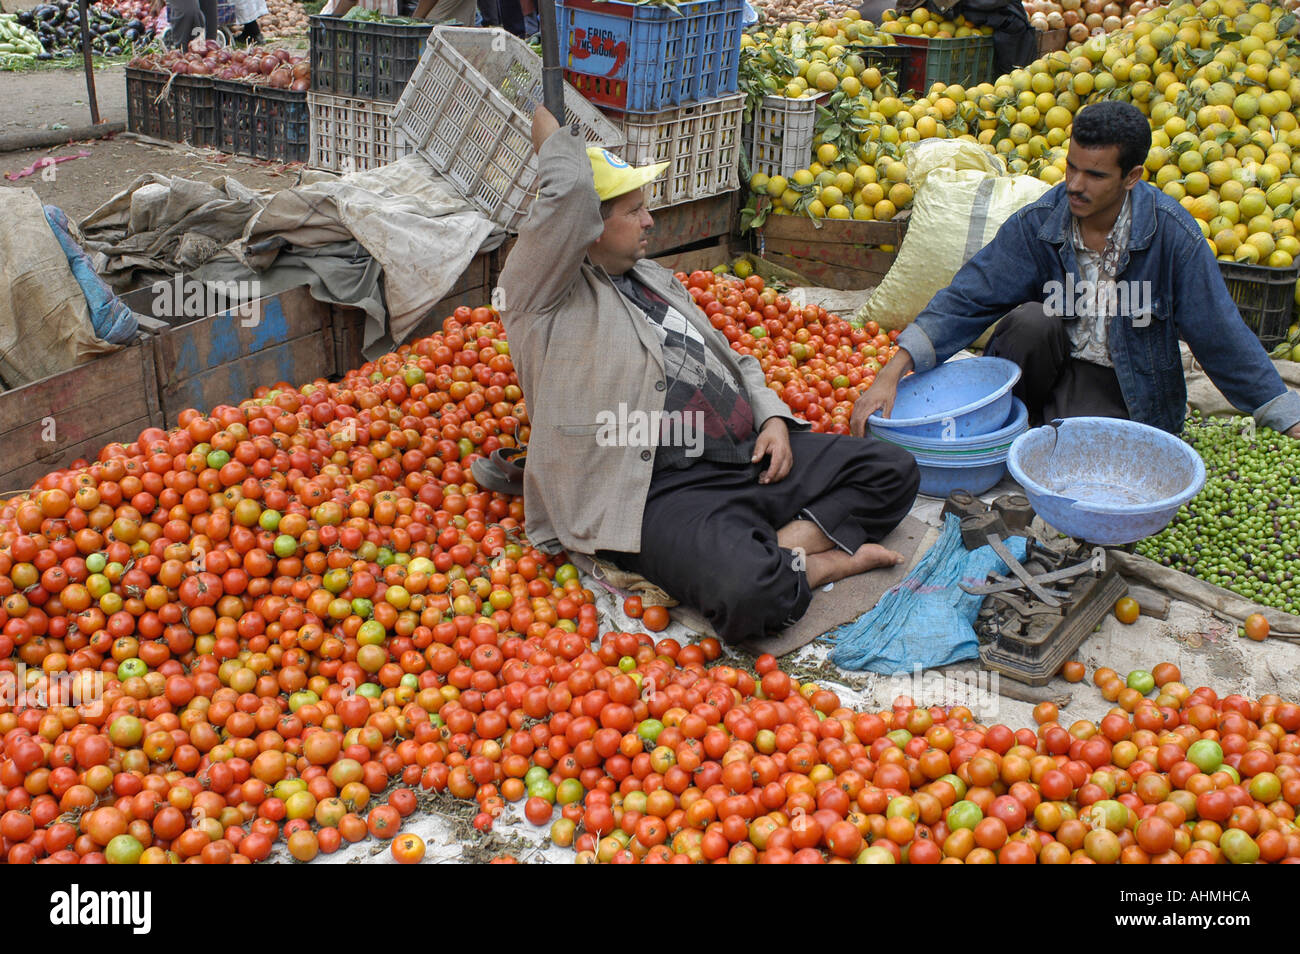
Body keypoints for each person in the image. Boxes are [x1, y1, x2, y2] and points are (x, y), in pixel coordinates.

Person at [497, 108, 921, 645]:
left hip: (746, 459)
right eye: (634, 211)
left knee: (895, 469)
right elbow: (566, 197)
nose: (650, 221)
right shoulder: (542, 299)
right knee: (747, 592)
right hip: (665, 492)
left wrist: (771, 419)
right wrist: (554, 138)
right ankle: (820, 566)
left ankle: (787, 541)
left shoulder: (651, 276)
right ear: (589, 226)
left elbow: (735, 358)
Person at [851, 100, 1300, 443]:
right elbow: (970, 295)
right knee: (1030, 320)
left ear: (1132, 177)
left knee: (1080, 450)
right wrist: (892, 373)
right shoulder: (1042, 223)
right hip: (1051, 363)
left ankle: (1037, 431)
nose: (1075, 185)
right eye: (1071, 167)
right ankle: (1013, 421)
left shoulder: (1173, 237)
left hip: (1128, 383)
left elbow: (1220, 332)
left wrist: (1284, 413)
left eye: (1095, 175)